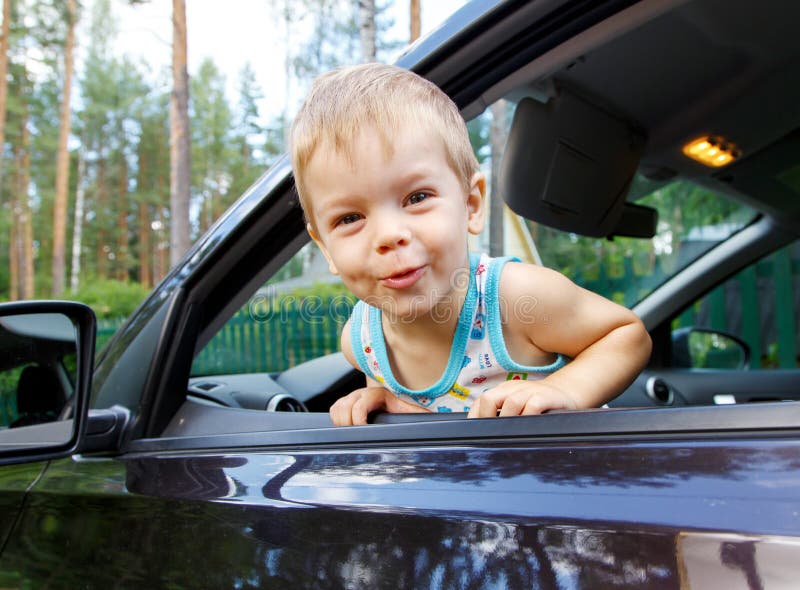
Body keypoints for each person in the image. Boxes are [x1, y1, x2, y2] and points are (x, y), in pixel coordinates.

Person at [289, 63, 652, 426]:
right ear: (324, 247)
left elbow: (625, 335)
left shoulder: (515, 297)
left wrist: (565, 390)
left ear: (471, 205)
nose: (388, 235)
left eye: (417, 197)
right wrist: (383, 398)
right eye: (349, 219)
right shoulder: (362, 342)